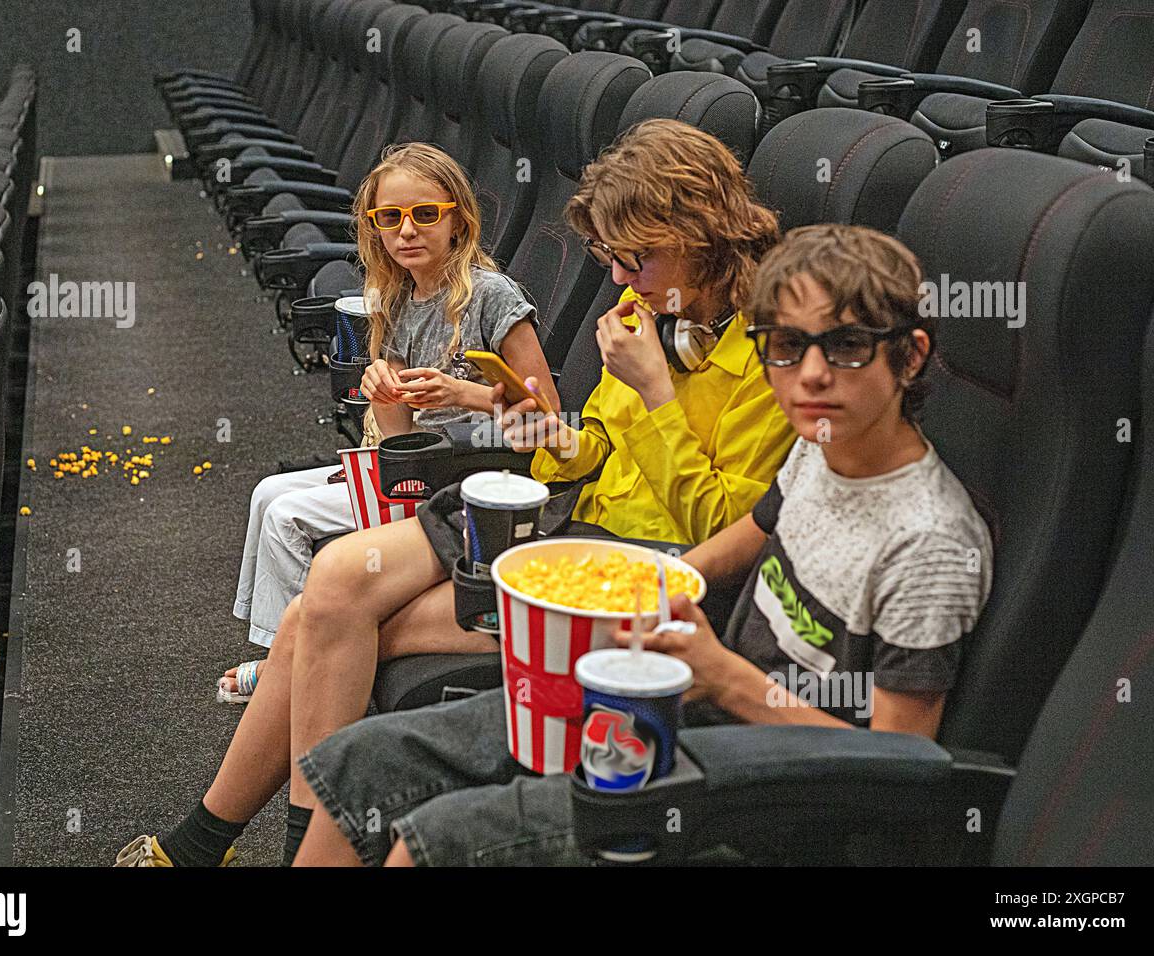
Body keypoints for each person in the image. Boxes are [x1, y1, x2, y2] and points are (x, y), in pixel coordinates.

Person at [114, 119, 794, 866]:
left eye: (639, 258)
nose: (624, 279)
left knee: (319, 621)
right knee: (332, 587)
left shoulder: (774, 350)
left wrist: (658, 394)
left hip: (644, 573)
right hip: (568, 527)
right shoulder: (653, 319)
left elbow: (730, 526)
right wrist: (523, 421)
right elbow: (589, 449)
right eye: (613, 261)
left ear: (701, 231)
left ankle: (244, 847)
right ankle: (222, 843)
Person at [291, 222, 995, 867]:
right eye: (785, 346)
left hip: (766, 794)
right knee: (355, 766)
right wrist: (632, 594)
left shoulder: (928, 544)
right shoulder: (821, 448)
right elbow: (750, 532)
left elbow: (900, 764)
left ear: (909, 357)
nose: (809, 376)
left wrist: (723, 675)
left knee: (431, 844)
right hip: (685, 706)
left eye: (844, 346)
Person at [222, 142, 556, 694]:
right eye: (390, 218)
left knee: (287, 517)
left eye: (425, 215)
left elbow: (545, 414)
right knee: (266, 493)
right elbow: (398, 430)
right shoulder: (399, 296)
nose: (407, 231)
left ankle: (290, 669)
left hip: (476, 473)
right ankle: (282, 651)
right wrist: (382, 390)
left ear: (458, 220)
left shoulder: (492, 297)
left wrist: (465, 394)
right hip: (417, 460)